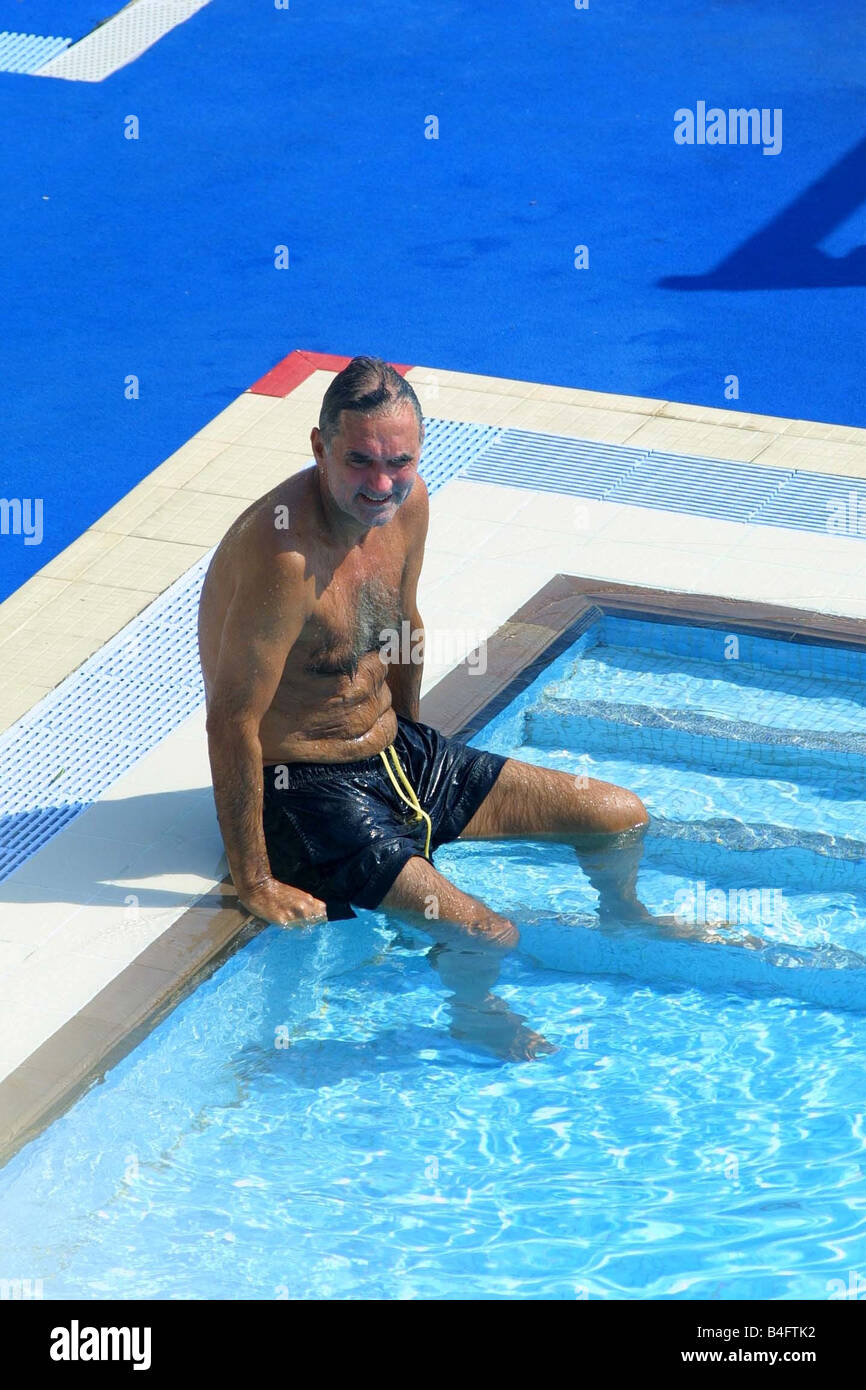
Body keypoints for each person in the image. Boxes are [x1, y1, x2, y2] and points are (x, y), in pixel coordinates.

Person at [198, 357, 660, 1060]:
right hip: (306, 789)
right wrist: (256, 878)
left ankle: (625, 917)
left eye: (399, 461)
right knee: (486, 932)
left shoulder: (405, 508)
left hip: (395, 757)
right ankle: (470, 1012)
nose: (381, 483)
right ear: (319, 447)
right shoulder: (284, 556)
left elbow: (402, 624)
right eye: (359, 462)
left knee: (618, 816)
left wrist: (418, 743)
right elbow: (230, 719)